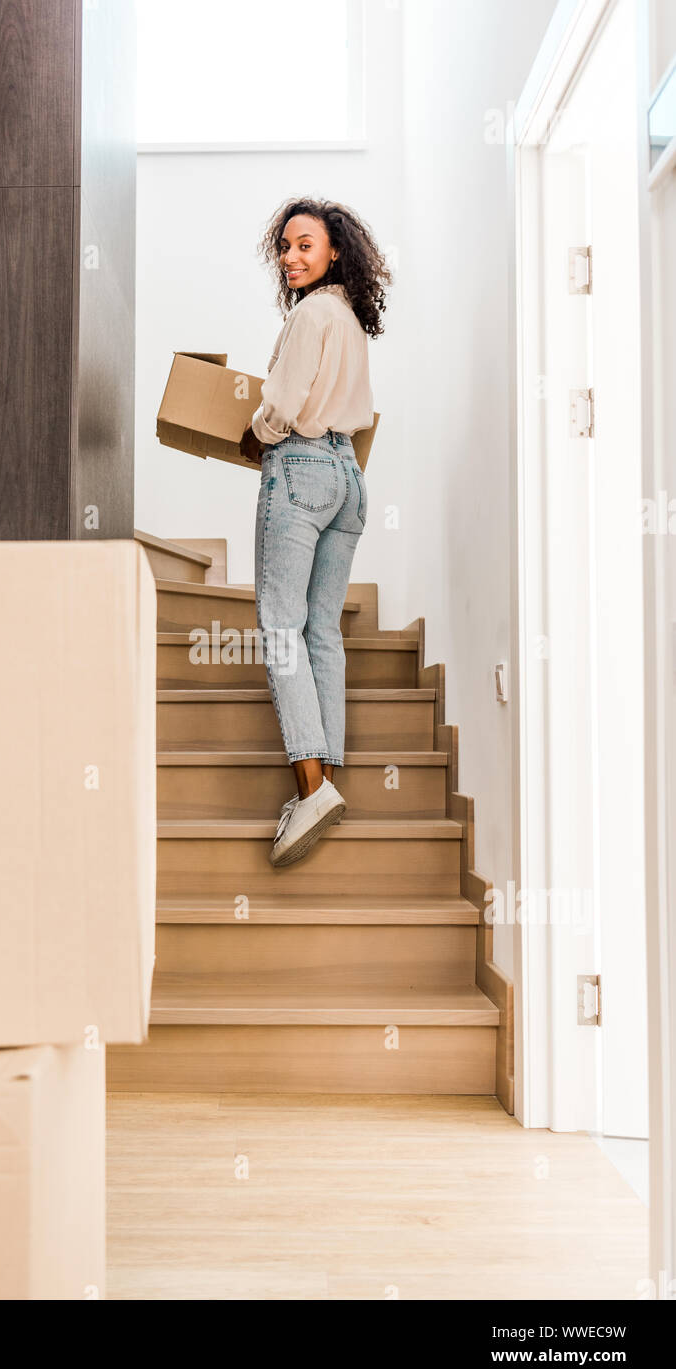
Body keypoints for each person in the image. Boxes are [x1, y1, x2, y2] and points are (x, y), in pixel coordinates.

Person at [239, 197, 393, 868]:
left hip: (299, 468)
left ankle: (309, 788)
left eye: (304, 245)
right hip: (347, 475)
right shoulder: (350, 320)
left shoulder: (309, 316)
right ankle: (326, 778)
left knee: (279, 623)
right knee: (319, 630)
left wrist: (255, 436)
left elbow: (282, 404)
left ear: (334, 252)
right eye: (284, 246)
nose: (290, 256)